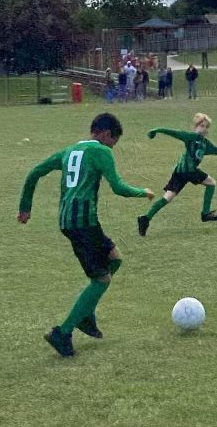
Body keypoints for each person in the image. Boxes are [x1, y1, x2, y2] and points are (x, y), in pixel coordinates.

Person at [18, 113, 151, 359]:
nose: (112, 147)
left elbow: (35, 172)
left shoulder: (69, 151)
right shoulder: (101, 151)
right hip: (83, 223)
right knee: (101, 279)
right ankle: (63, 332)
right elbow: (119, 188)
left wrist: (25, 207)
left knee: (115, 259)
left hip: (70, 221)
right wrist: (142, 192)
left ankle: (86, 314)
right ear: (105, 133)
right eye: (114, 141)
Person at [139, 114, 217, 236]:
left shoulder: (205, 143)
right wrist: (157, 130)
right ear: (196, 127)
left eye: (206, 127)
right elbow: (175, 133)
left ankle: (145, 219)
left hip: (183, 172)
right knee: (209, 183)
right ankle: (205, 214)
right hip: (185, 172)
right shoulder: (192, 137)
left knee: (169, 197)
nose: (204, 129)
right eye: (202, 126)